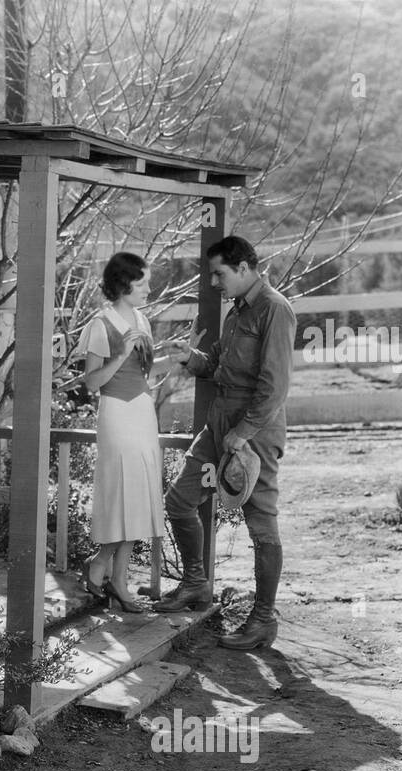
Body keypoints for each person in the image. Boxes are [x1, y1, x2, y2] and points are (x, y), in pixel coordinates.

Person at [154, 235, 296, 651]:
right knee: (180, 498)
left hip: (256, 432)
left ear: (245, 267)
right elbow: (215, 364)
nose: (214, 281)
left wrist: (243, 432)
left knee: (260, 521)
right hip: (220, 424)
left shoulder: (275, 309)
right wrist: (189, 359)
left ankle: (263, 619)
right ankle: (196, 583)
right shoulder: (237, 312)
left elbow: (274, 389)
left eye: (219, 273)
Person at [80, 252, 168, 613]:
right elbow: (91, 383)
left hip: (142, 412)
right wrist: (120, 354)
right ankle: (103, 566)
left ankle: (114, 575)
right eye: (143, 282)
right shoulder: (101, 324)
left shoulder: (142, 319)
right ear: (122, 284)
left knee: (140, 495)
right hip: (116, 412)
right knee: (120, 491)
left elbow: (143, 372)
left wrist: (177, 355)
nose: (149, 288)